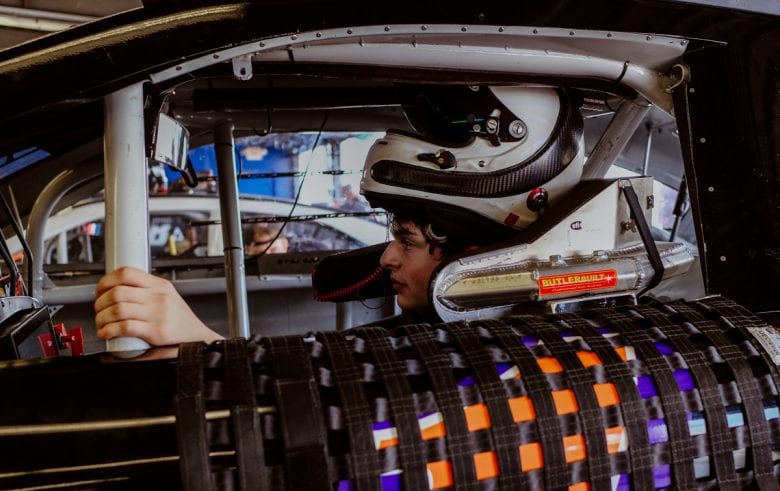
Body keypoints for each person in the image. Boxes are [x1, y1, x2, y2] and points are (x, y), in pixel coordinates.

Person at [94, 84, 584, 355]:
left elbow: (329, 408)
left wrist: (199, 342)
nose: (388, 257)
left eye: (407, 241)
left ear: (471, 261)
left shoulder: (469, 353)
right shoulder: (443, 330)